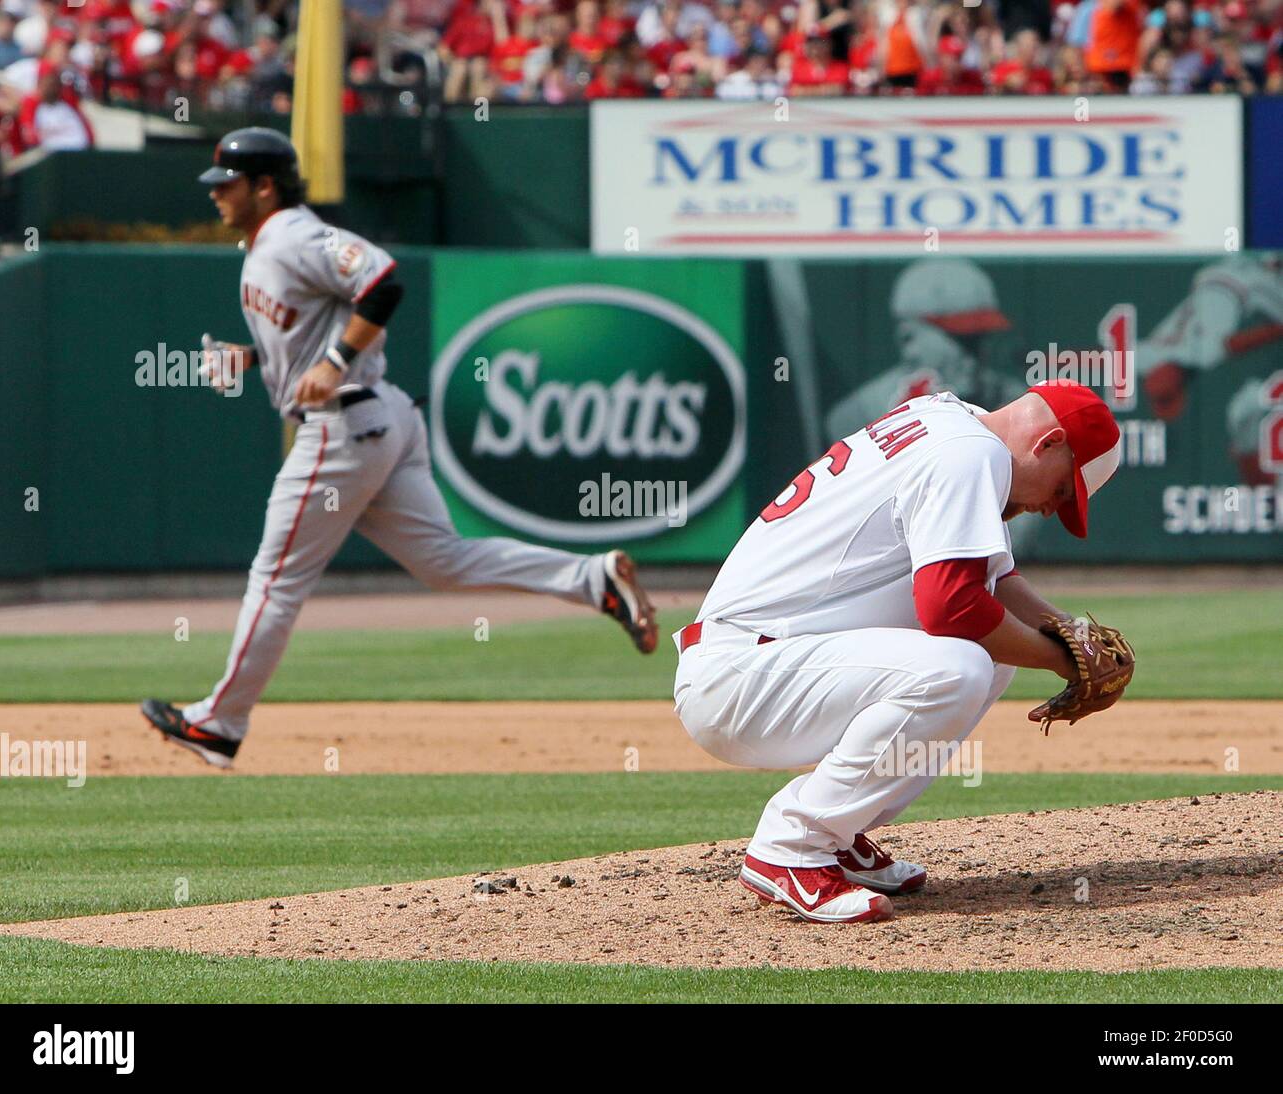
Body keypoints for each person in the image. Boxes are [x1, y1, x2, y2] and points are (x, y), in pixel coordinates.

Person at [141, 128, 658, 768]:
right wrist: (252, 359)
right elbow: (310, 333)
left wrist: (334, 361)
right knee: (444, 561)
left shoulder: (295, 235)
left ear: (265, 185)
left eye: (228, 183)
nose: (217, 194)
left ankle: (218, 722)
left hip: (342, 427)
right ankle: (592, 579)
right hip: (377, 420)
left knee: (275, 581)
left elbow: (383, 280)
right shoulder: (269, 244)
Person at [673, 382, 1122, 922]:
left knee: (994, 653)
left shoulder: (959, 426)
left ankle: (837, 832)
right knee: (959, 664)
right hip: (741, 672)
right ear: (1047, 443)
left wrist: (1067, 631)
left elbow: (993, 581)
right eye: (1063, 492)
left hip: (770, 659)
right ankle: (793, 845)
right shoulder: (968, 453)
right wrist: (1059, 659)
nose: (1052, 509)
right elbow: (950, 608)